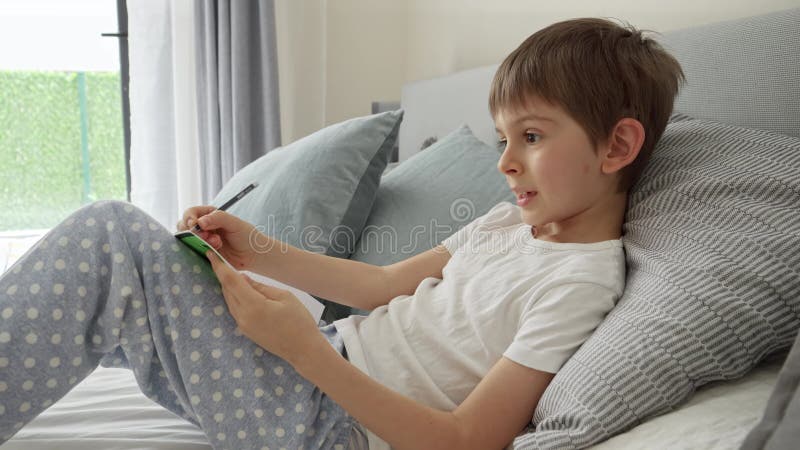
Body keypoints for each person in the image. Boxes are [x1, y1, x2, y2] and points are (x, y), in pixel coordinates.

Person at [0, 17, 683, 450]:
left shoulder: (582, 282)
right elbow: (380, 284)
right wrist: (253, 248)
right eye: (504, 137)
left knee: (110, 237)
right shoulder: (510, 221)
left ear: (617, 146)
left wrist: (306, 355)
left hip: (330, 426)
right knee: (122, 265)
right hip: (317, 368)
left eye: (530, 137)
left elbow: (467, 440)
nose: (504, 161)